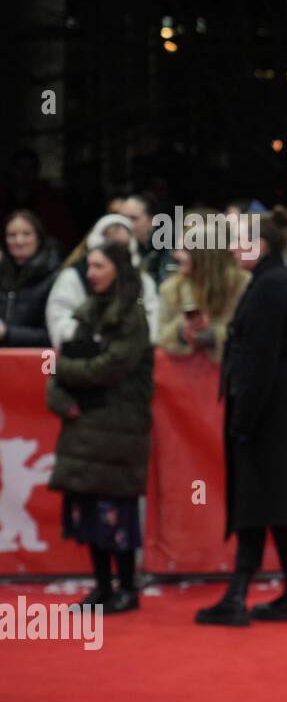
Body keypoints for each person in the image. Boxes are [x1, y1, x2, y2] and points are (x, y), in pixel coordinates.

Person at [196, 212, 287, 626]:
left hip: (266, 413)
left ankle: (244, 591)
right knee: (274, 503)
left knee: (261, 501)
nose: (231, 247)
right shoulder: (274, 282)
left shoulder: (269, 287)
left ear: (260, 244)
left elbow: (258, 360)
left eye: (239, 240)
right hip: (275, 409)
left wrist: (243, 420)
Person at [45, 241, 154, 613]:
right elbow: (63, 365)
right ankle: (102, 587)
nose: (90, 273)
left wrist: (64, 370)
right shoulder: (85, 311)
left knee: (116, 509)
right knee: (88, 507)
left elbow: (111, 366)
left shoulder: (133, 318)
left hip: (119, 429)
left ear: (118, 270)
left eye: (98, 266)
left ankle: (126, 586)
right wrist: (60, 397)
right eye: (88, 266)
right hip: (84, 430)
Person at [47, 213, 160, 349]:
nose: (117, 253)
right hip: (83, 353)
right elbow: (59, 326)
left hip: (130, 356)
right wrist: (98, 339)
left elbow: (154, 325)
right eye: (111, 245)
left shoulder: (142, 281)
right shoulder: (72, 278)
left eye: (123, 246)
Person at [157, 210, 250, 363]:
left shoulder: (243, 285)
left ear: (205, 255)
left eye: (184, 250)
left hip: (235, 374)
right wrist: (181, 331)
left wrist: (214, 336)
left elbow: (250, 335)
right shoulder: (171, 289)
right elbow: (161, 336)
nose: (176, 255)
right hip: (185, 378)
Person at [0, 210, 62, 347]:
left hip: (37, 362)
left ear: (39, 238)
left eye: (26, 234)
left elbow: (53, 336)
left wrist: (7, 333)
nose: (19, 241)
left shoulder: (55, 279)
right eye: (12, 235)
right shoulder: (2, 273)